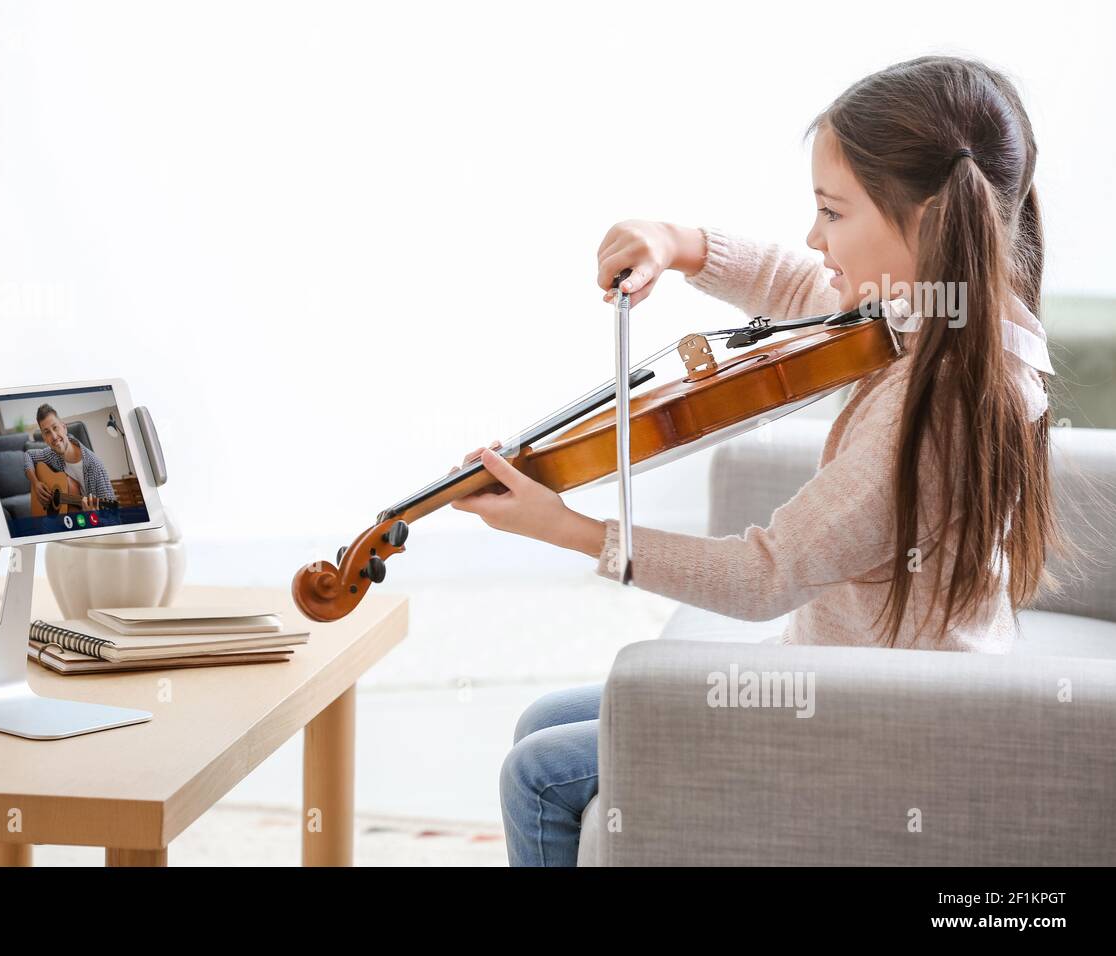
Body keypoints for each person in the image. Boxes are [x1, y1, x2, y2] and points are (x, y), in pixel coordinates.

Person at [450, 56, 1064, 867]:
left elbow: (762, 577)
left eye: (832, 212)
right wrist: (682, 245)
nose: (816, 236)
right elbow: (799, 283)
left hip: (885, 723)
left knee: (541, 773)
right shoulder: (946, 313)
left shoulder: (940, 406)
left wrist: (567, 528)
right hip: (853, 684)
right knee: (546, 721)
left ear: (927, 221)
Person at [24, 404, 116, 513]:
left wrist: (94, 516)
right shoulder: (51, 454)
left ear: (64, 428)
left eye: (55, 428)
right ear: (44, 438)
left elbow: (113, 518)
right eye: (47, 432)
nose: (53, 436)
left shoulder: (95, 467)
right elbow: (28, 456)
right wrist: (36, 484)